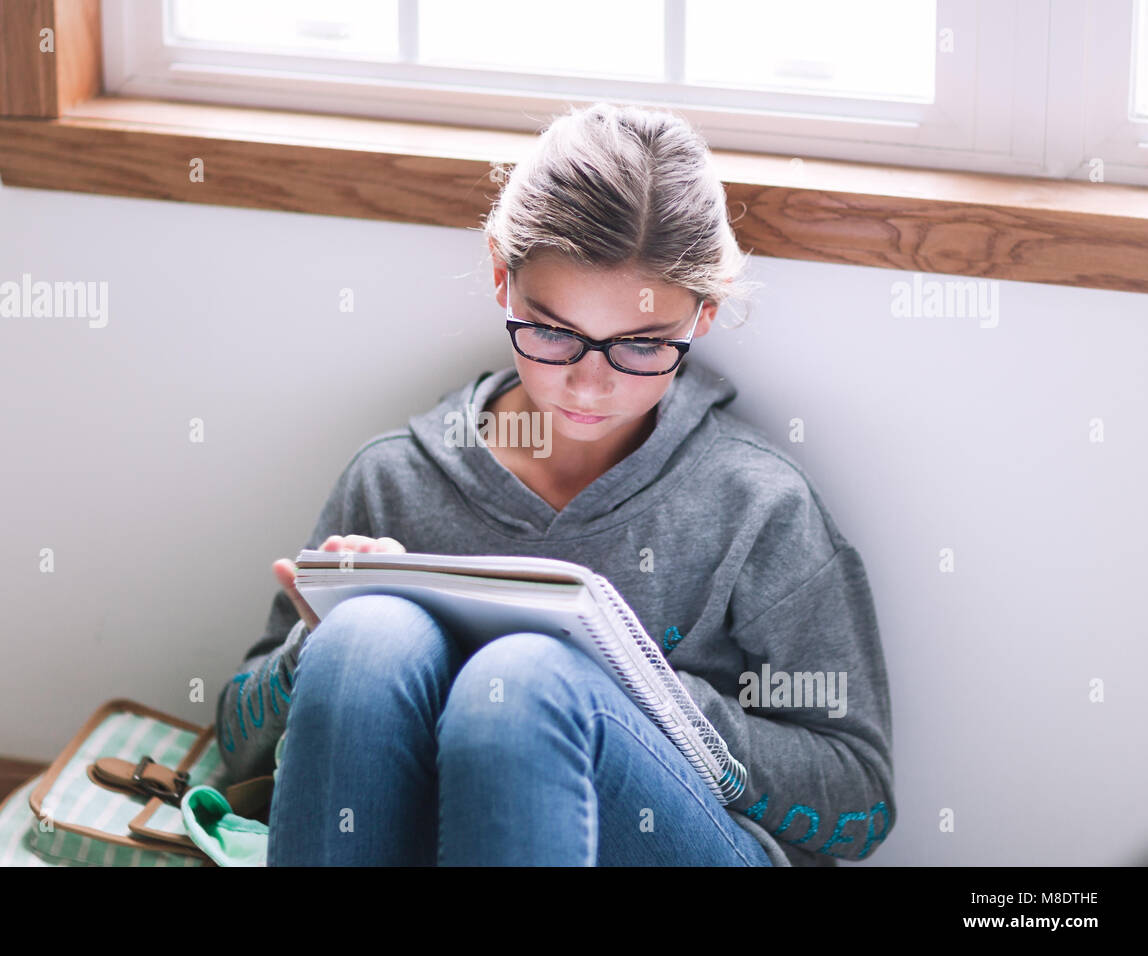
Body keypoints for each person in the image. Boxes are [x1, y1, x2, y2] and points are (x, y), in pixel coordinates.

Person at [216, 101, 896, 867]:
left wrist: (644, 697)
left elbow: (861, 804)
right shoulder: (395, 478)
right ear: (503, 280)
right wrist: (316, 643)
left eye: (641, 346)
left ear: (702, 317)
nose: (589, 383)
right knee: (367, 641)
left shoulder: (756, 505)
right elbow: (233, 750)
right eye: (552, 333)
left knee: (526, 681)